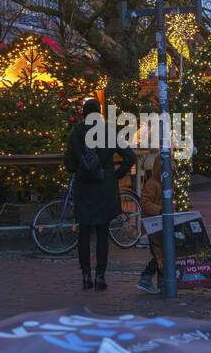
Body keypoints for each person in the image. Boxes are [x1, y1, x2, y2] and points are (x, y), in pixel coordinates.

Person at [65, 97, 136, 290]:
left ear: (84, 114)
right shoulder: (108, 132)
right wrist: (116, 175)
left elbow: (69, 163)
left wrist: (81, 169)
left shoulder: (76, 133)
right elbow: (130, 157)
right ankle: (100, 276)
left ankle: (85, 274)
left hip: (84, 188)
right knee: (102, 232)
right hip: (104, 188)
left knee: (84, 232)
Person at [137, 152, 164, 294]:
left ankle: (162, 282)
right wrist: (160, 210)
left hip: (161, 226)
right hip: (153, 227)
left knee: (162, 255)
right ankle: (146, 279)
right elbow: (145, 202)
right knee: (159, 255)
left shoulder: (164, 184)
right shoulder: (153, 184)